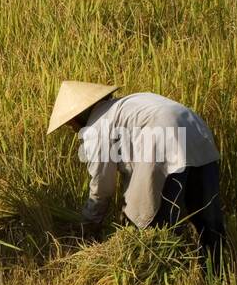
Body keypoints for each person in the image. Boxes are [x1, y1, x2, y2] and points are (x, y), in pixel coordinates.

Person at [47, 81, 225, 270]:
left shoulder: (95, 128)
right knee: (208, 219)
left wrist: (89, 224)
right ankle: (219, 275)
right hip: (195, 127)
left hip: (163, 138)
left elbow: (102, 186)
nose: (72, 129)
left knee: (156, 229)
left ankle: (160, 280)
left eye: (70, 124)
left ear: (77, 117)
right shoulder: (125, 106)